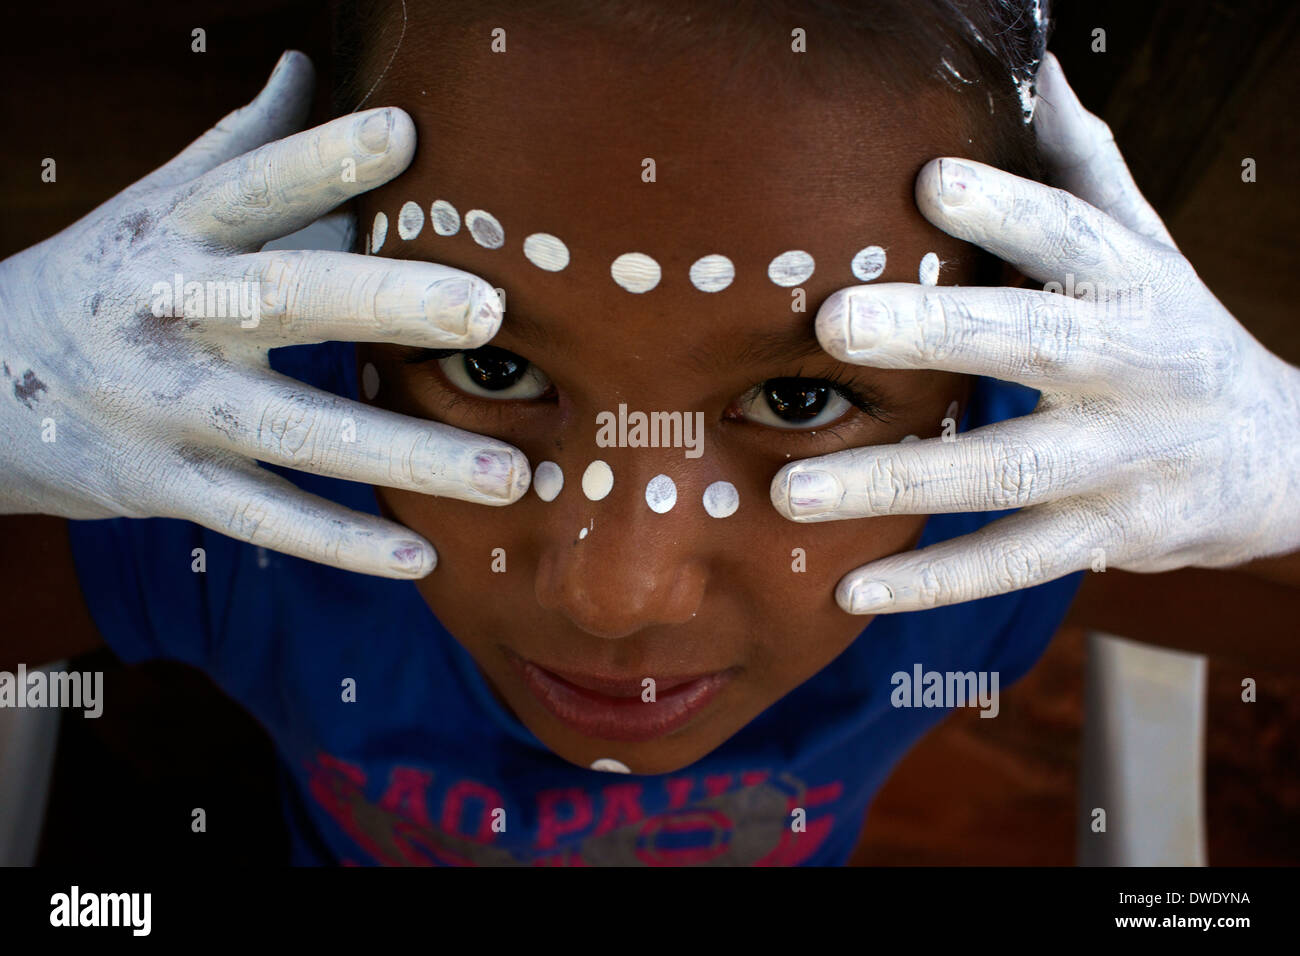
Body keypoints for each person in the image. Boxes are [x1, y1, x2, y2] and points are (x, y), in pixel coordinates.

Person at [1, 0, 1295, 865]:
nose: (616, 591)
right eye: (489, 364)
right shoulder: (242, 479)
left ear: (972, 379)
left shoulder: (1023, 497)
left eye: (799, 402)